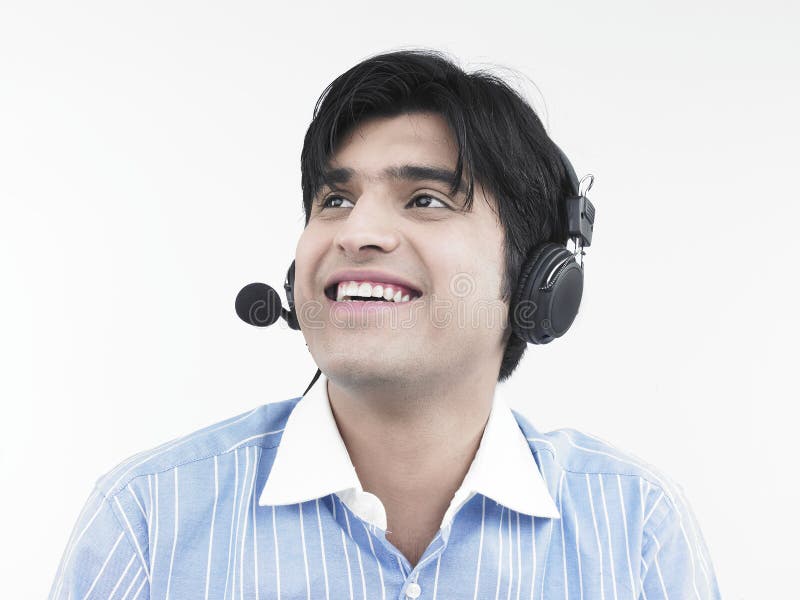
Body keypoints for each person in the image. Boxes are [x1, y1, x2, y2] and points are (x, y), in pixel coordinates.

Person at [48, 49, 721, 599]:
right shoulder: (148, 520)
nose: (357, 232)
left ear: (538, 279)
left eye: (424, 199)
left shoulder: (636, 528)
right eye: (334, 199)